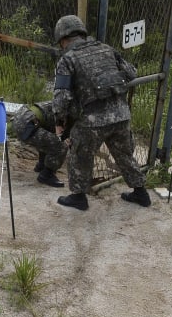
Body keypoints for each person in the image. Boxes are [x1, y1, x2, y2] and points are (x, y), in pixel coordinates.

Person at [51, 14, 151, 211]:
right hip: (121, 115)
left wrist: (60, 123)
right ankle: (141, 193)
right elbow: (131, 72)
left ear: (62, 39)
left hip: (91, 121)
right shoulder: (107, 49)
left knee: (79, 155)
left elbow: (61, 98)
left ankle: (78, 197)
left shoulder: (67, 59)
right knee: (125, 156)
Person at [11, 101, 67, 187]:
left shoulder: (55, 104)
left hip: (19, 121)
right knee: (61, 146)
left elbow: (47, 136)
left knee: (47, 139)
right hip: (28, 126)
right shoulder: (63, 111)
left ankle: (41, 165)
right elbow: (59, 133)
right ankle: (46, 175)